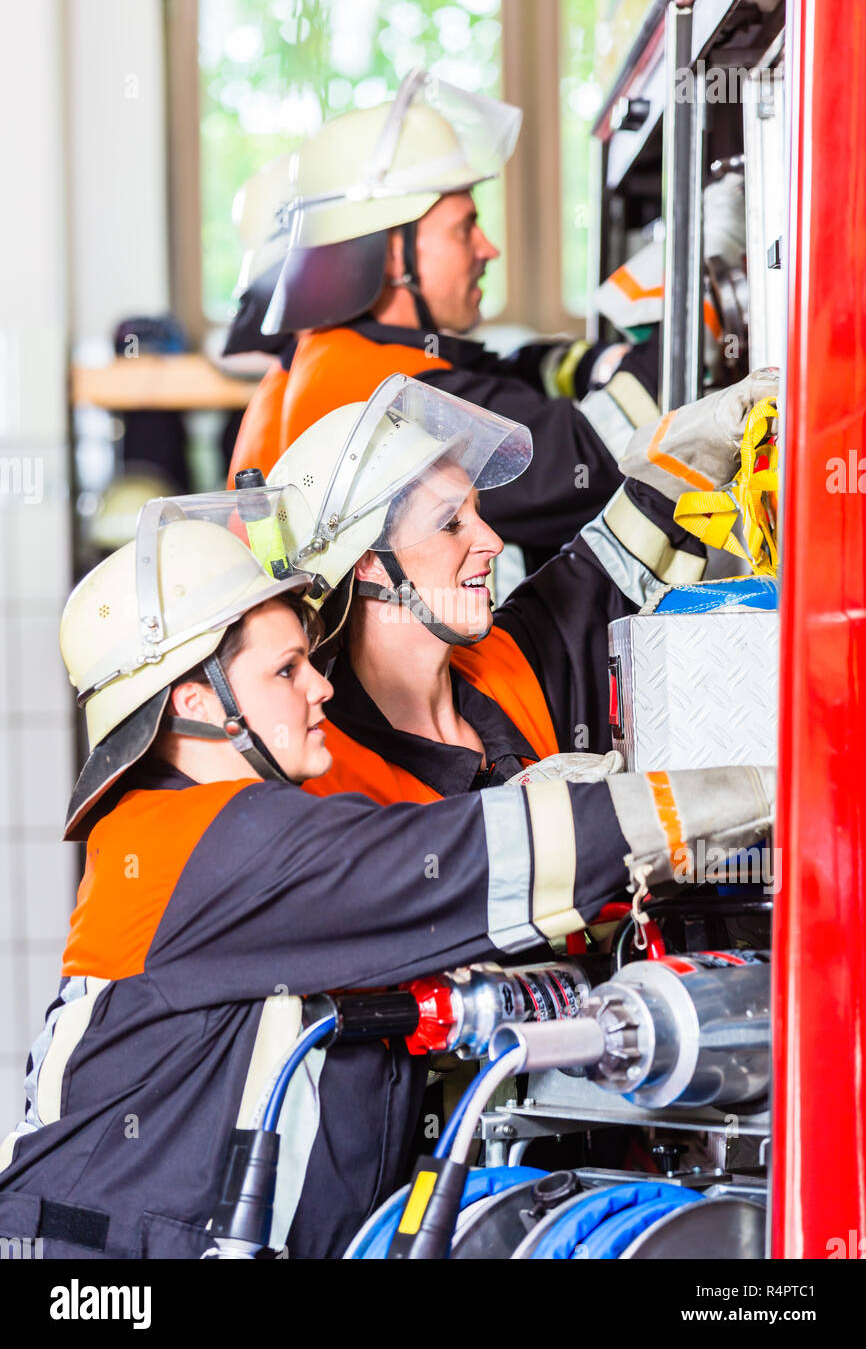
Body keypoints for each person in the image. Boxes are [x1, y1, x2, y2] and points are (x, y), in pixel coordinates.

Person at [0, 489, 775, 1260]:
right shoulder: (208, 842)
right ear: (199, 701)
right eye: (287, 670)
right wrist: (762, 790)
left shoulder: (198, 830)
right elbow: (471, 866)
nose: (321, 688)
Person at [263, 368, 778, 805]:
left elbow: (608, 567)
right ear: (370, 564)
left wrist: (696, 448)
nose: (493, 541)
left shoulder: (507, 664)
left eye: (478, 515)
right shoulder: (325, 777)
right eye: (449, 523)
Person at [225, 69, 662, 576]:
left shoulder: (331, 359)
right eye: (464, 227)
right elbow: (590, 458)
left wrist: (597, 362)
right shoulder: (392, 402)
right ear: (392, 254)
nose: (488, 248)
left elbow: (497, 376)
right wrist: (703, 317)